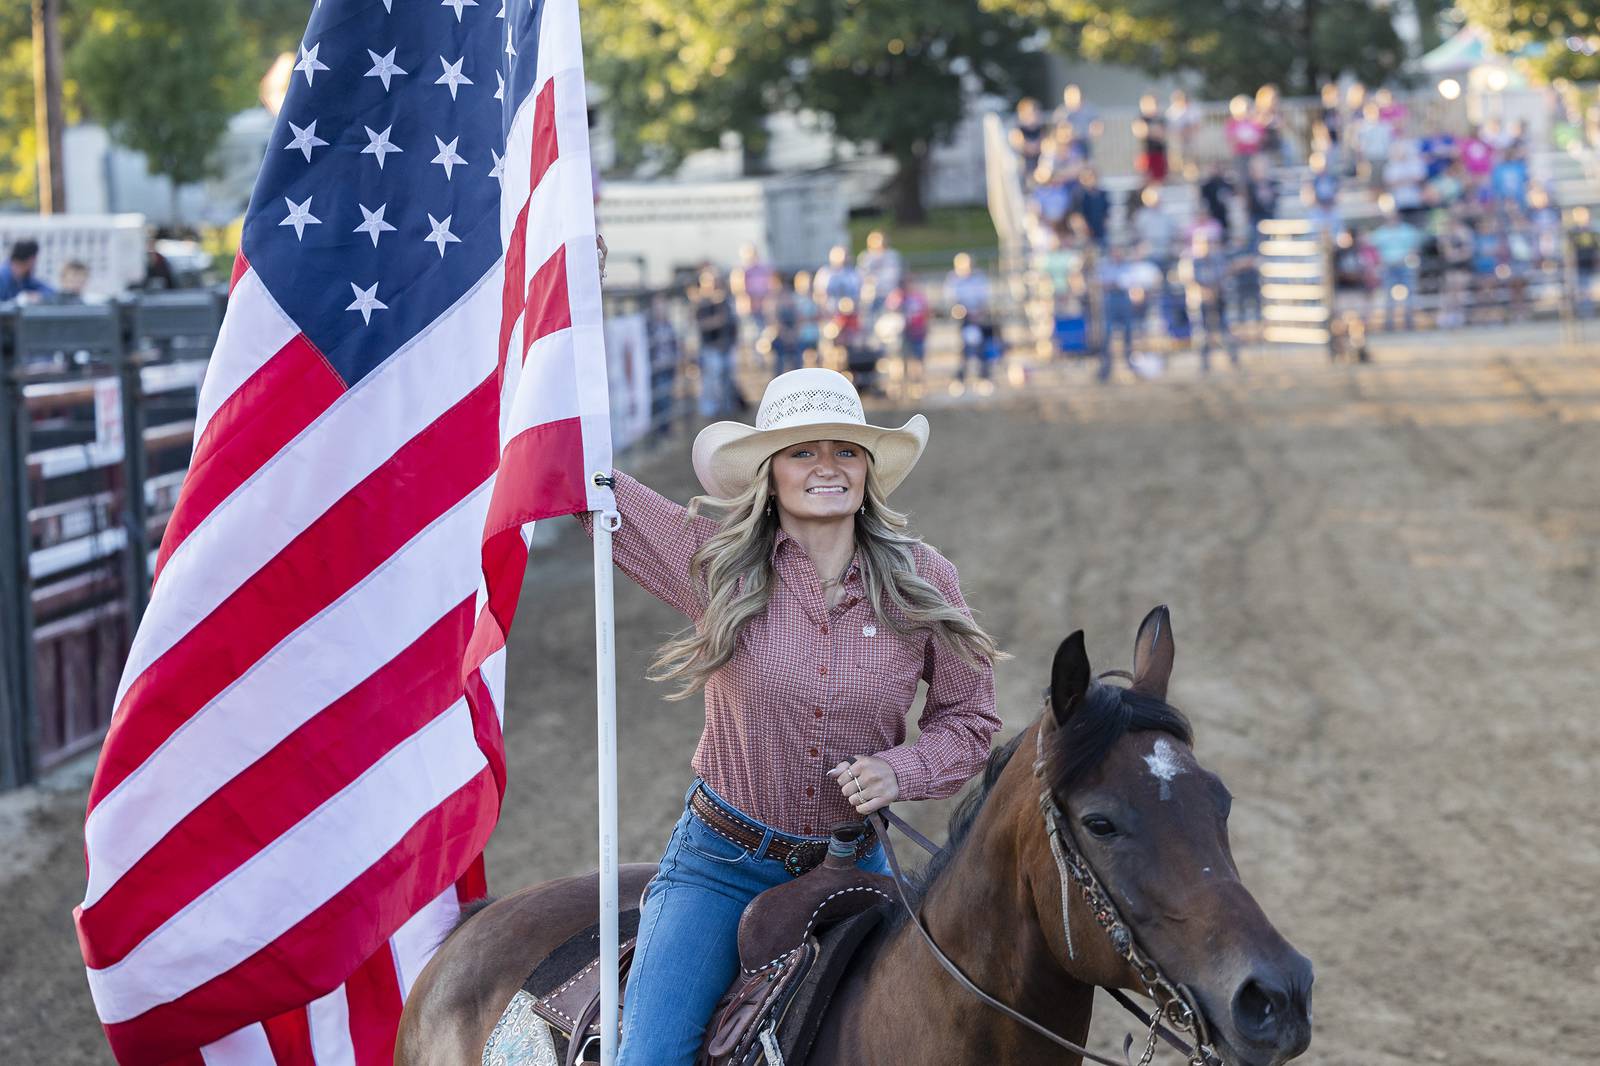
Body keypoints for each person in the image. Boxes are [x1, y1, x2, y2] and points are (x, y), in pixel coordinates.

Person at [582, 367, 1001, 1066]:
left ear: (868, 471)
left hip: (855, 865)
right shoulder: (717, 566)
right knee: (650, 1057)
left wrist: (901, 770)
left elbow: (972, 720)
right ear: (769, 473)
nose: (827, 468)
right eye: (803, 452)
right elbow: (588, 481)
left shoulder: (924, 579)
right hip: (721, 864)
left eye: (845, 451)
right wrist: (568, 286)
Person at [1368, 197, 1424, 331]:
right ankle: (1389, 324)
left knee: (1410, 294)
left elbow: (1415, 247)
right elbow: (1371, 248)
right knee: (1388, 296)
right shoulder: (1381, 233)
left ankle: (1409, 323)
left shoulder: (1408, 230)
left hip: (1404, 265)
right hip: (1388, 266)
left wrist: (1406, 257)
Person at [692, 268, 738, 416]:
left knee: (727, 379)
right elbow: (700, 324)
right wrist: (717, 321)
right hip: (710, 347)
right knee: (710, 381)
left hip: (726, 346)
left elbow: (731, 321)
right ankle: (709, 411)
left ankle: (727, 408)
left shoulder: (725, 301)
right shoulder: (701, 303)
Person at [856, 230, 903, 314]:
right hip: (870, 295)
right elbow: (862, 276)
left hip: (889, 294)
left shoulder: (892, 255)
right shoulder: (865, 257)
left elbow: (894, 275)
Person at [1133, 93, 1169, 184]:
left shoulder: (1160, 119)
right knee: (1146, 178)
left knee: (1160, 179)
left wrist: (1149, 130)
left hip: (1160, 153)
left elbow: (1161, 134)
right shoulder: (1140, 118)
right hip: (1147, 152)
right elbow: (1140, 132)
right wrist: (1152, 130)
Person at [1166, 89, 1199, 175]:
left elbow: (1196, 125)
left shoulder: (1192, 109)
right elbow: (1169, 128)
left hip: (1190, 140)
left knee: (1190, 161)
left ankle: (1191, 176)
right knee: (1177, 161)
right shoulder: (1171, 111)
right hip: (1177, 141)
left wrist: (1187, 132)